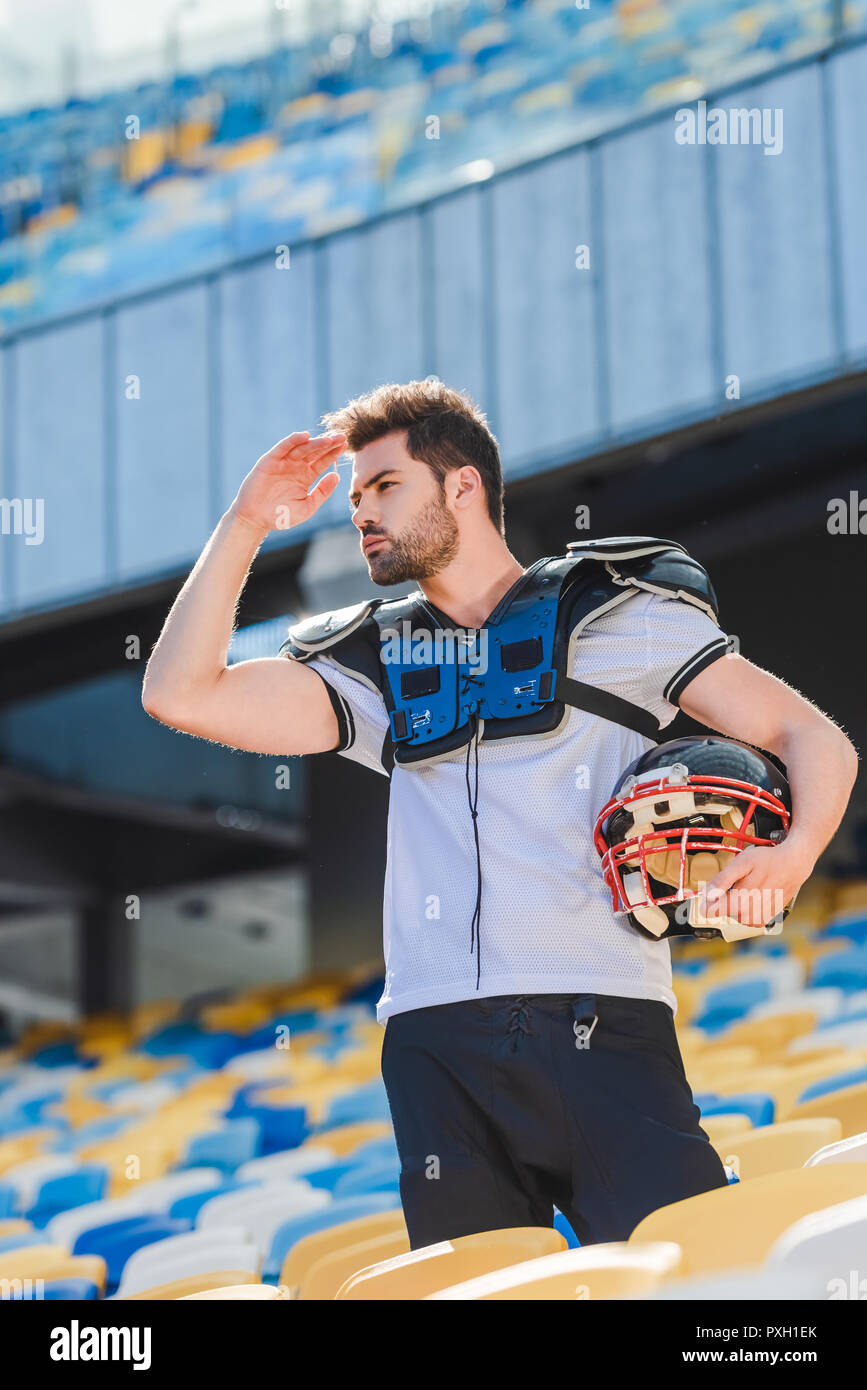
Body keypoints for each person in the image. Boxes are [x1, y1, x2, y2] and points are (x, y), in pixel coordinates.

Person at [142, 379, 858, 1248]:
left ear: (462, 487)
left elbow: (811, 736)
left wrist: (790, 856)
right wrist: (248, 518)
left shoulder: (620, 616)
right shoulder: (370, 662)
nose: (360, 514)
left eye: (384, 488)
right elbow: (180, 694)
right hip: (430, 1040)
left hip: (599, 1015)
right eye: (355, 496)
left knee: (698, 1272)